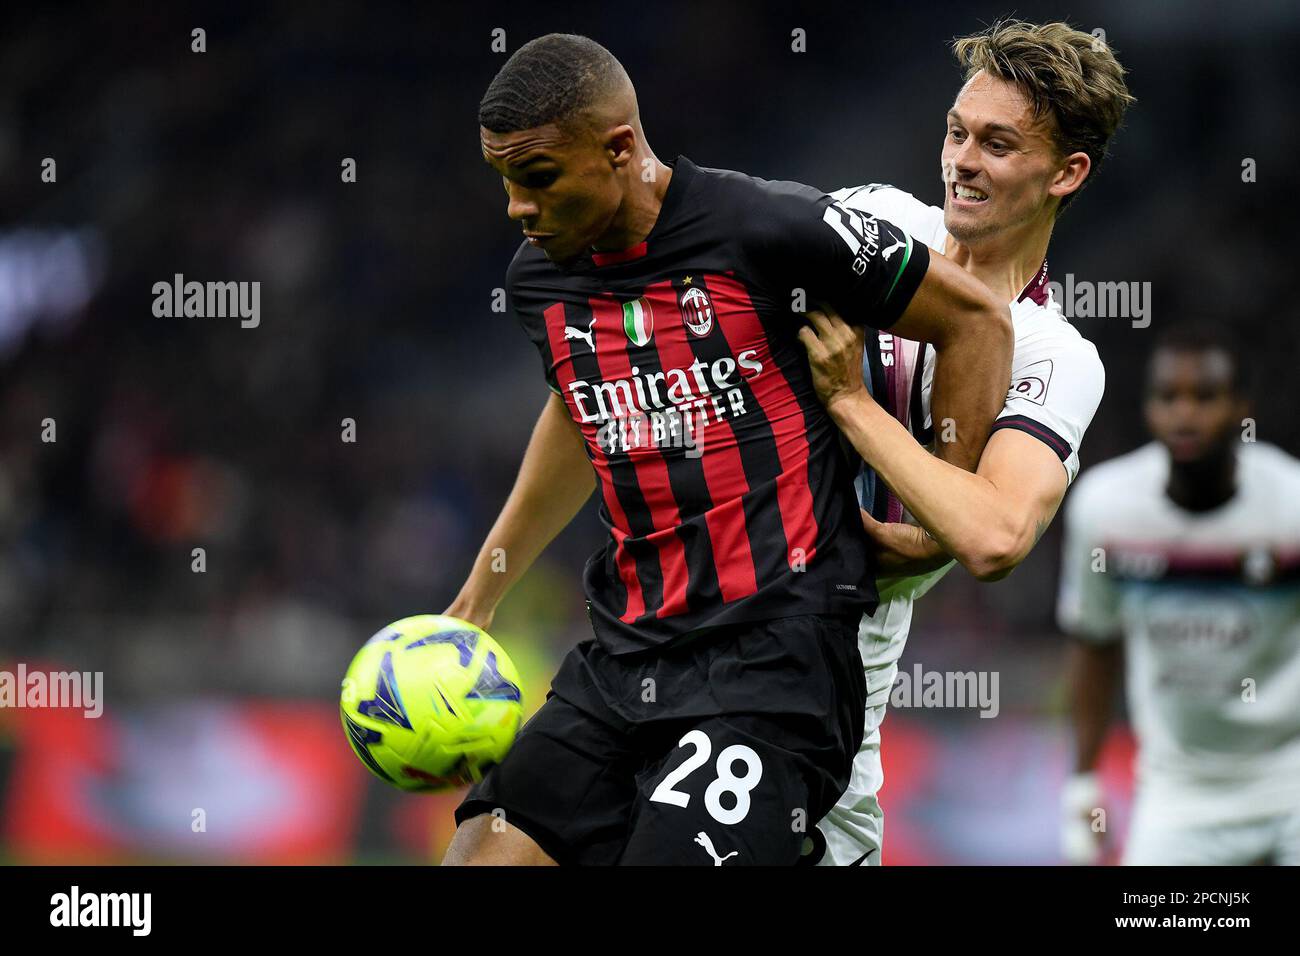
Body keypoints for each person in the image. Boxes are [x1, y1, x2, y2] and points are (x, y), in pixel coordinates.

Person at [439, 33, 1012, 865]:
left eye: (537, 178)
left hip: (771, 665)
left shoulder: (770, 228)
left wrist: (936, 515)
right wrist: (477, 596)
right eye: (505, 181)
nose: (516, 209)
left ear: (620, 149)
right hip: (624, 651)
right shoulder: (541, 282)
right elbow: (580, 405)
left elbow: (975, 320)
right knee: (479, 858)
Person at [796, 19, 1131, 865]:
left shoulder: (1057, 356)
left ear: (1068, 172)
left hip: (837, 685)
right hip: (709, 616)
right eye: (955, 132)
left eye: (997, 144)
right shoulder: (873, 220)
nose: (961, 161)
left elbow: (990, 536)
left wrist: (851, 404)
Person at [1059, 326, 1300, 865]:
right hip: (1178, 795)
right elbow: (1094, 644)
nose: (1184, 415)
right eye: (1168, 398)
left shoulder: (1292, 508)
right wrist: (1083, 783)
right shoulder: (1106, 510)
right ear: (1148, 408)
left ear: (1241, 407)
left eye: (1206, 397)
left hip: (1291, 780)